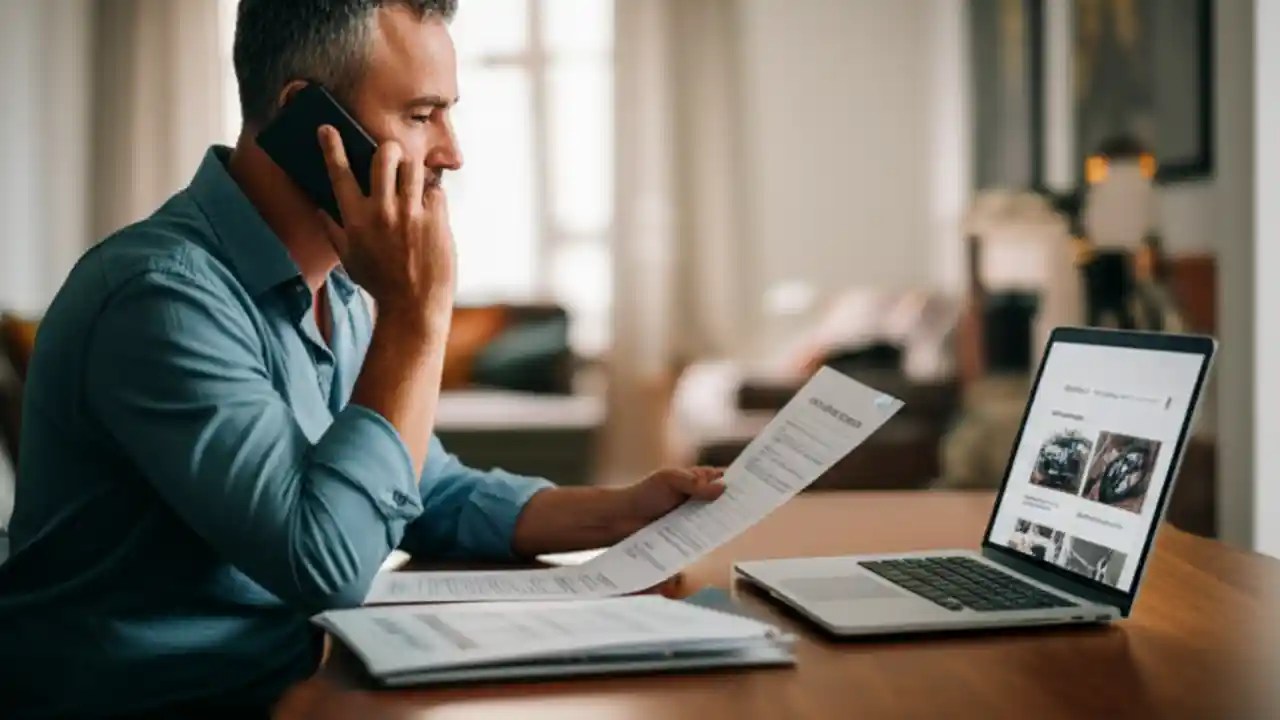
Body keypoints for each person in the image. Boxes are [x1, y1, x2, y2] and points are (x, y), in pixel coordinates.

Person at [0, 2, 725, 717]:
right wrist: (417, 316)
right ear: (308, 119)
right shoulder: (159, 299)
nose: (452, 151)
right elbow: (329, 565)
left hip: (292, 682)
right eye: (421, 114)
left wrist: (619, 514)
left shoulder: (340, 289)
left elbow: (421, 488)